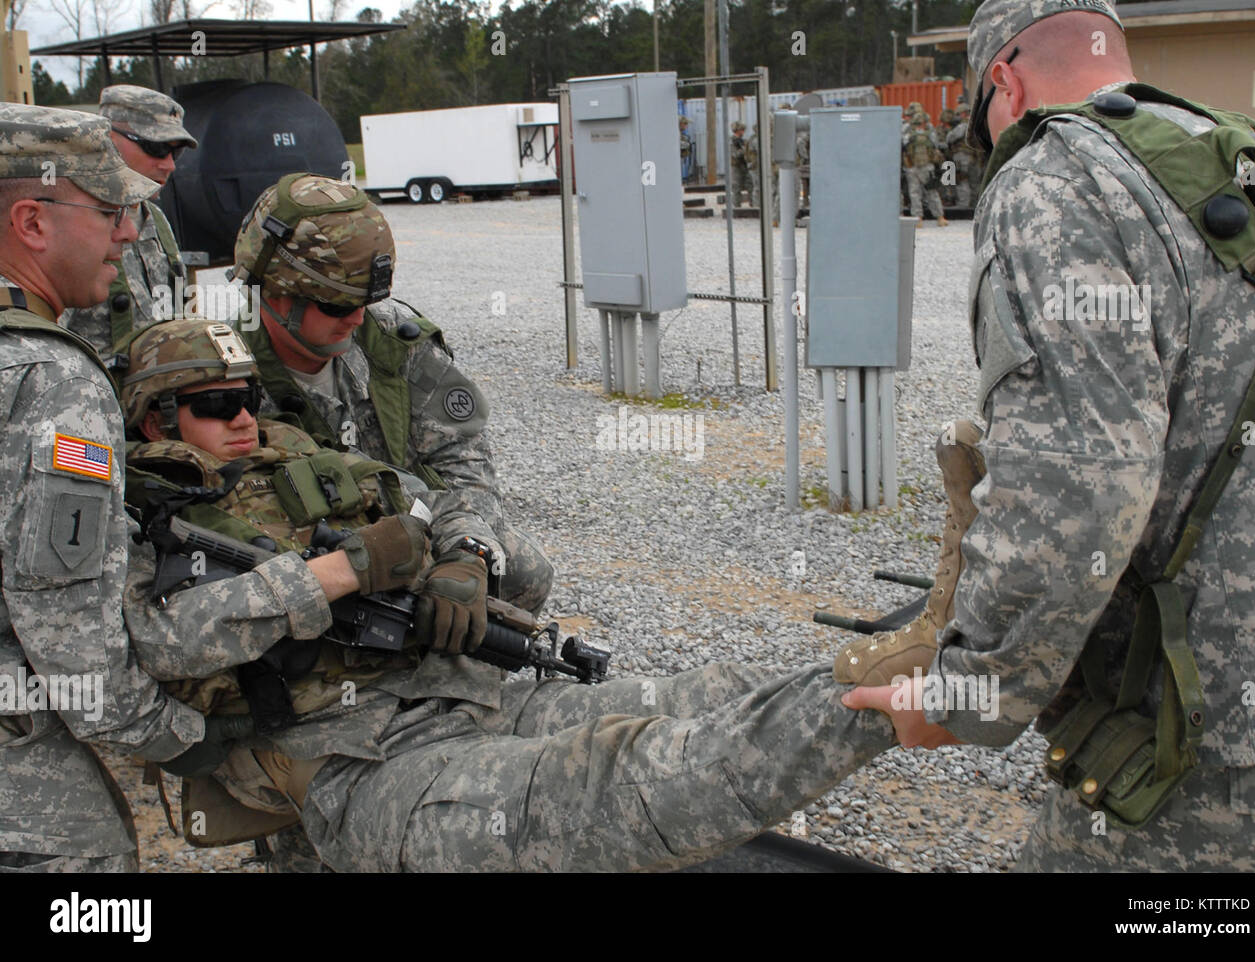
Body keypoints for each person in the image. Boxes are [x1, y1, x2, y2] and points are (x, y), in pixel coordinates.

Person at [119, 319, 898, 873]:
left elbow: (443, 498)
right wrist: (342, 573)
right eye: (216, 405)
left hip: (458, 694)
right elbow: (162, 640)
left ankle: (895, 659)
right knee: (612, 785)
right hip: (354, 760)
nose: (246, 417)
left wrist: (464, 558)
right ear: (157, 415)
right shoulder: (139, 516)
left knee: (709, 692)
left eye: (250, 395)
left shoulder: (299, 459)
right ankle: (896, 698)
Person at [848, 0, 1255, 870]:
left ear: (1003, 83)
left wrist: (966, 693)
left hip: (1219, 740)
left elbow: (1082, 484)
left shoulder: (1053, 182)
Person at [0, 103, 264, 873]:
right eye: (111, 211)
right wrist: (175, 736)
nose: (129, 232)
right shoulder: (52, 382)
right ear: (32, 221)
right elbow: (68, 636)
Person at [228, 173, 552, 618]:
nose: (357, 318)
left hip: (413, 522)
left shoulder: (394, 341)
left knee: (521, 570)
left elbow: (465, 463)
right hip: (297, 550)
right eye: (338, 306)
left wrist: (467, 553)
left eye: (367, 299)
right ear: (274, 292)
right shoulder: (219, 367)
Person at [63, 85, 194, 356]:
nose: (169, 165)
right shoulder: (72, 222)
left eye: (176, 152)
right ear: (108, 138)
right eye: (156, 148)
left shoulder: (154, 219)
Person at [902, 111, 949, 226]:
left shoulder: (908, 135)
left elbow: (903, 147)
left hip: (911, 168)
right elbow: (936, 147)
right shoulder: (930, 135)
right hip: (927, 167)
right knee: (932, 192)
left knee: (914, 193)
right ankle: (940, 217)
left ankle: (918, 219)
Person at [729, 120, 751, 206]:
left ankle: (753, 204)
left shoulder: (742, 141)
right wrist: (744, 150)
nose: (743, 132)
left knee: (750, 185)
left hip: (744, 166)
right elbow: (735, 154)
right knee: (736, 187)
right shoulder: (732, 141)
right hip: (736, 167)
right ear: (737, 130)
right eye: (742, 130)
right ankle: (736, 206)